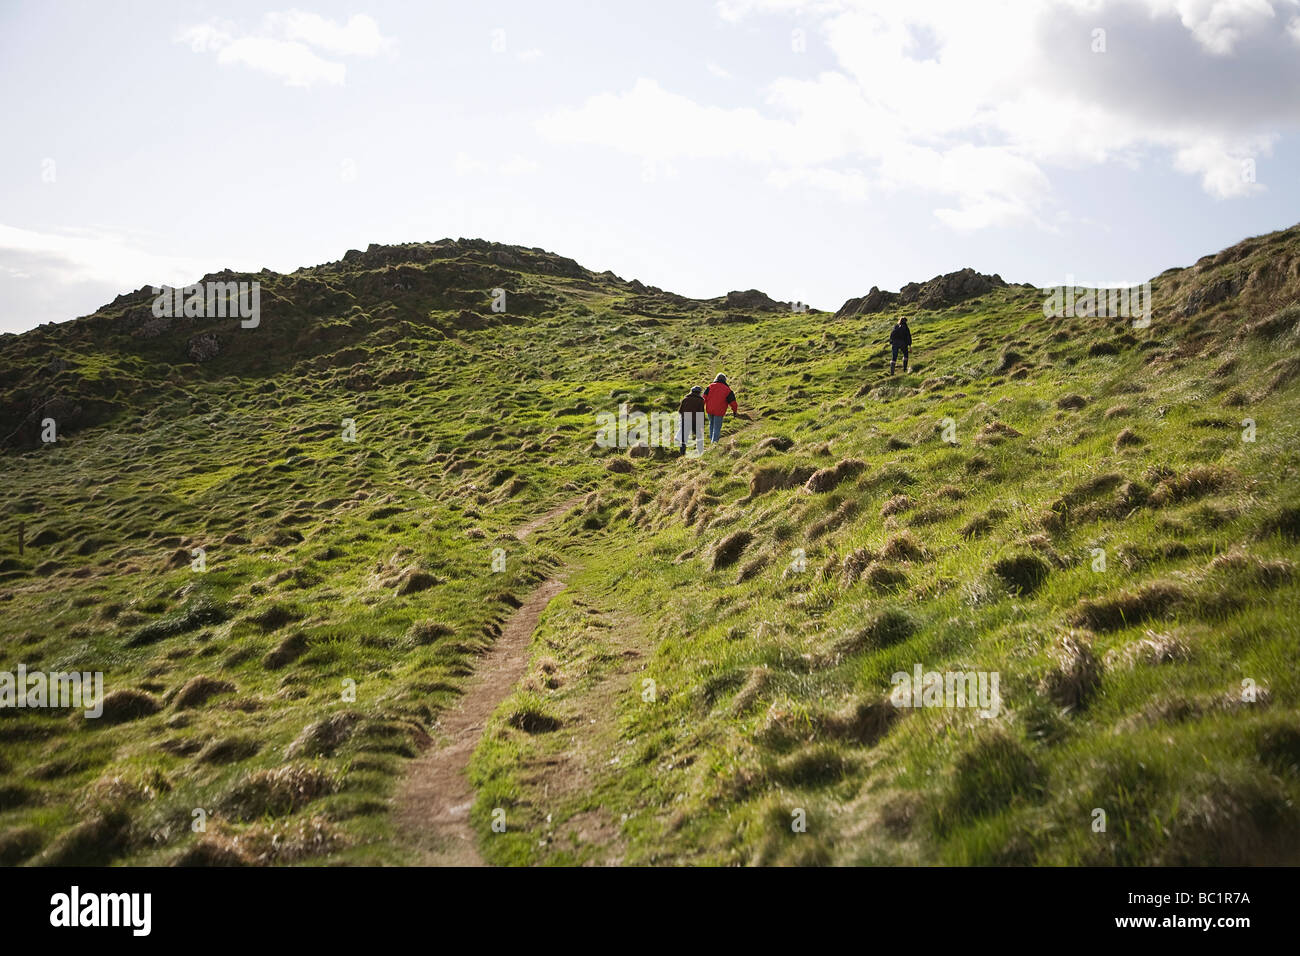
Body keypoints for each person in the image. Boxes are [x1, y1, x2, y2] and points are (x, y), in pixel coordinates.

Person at [702, 373, 738, 443]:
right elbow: (733, 403)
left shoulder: (710, 387)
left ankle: (711, 441)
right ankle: (714, 443)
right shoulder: (728, 390)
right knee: (717, 428)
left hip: (710, 410)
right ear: (725, 380)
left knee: (711, 424)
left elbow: (704, 398)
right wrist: (735, 411)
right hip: (719, 411)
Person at [677, 385, 705, 455]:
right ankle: (700, 451)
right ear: (699, 392)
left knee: (684, 438)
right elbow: (701, 412)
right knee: (699, 436)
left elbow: (680, 411)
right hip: (696, 421)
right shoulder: (701, 400)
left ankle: (682, 453)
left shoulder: (685, 399)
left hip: (685, 420)